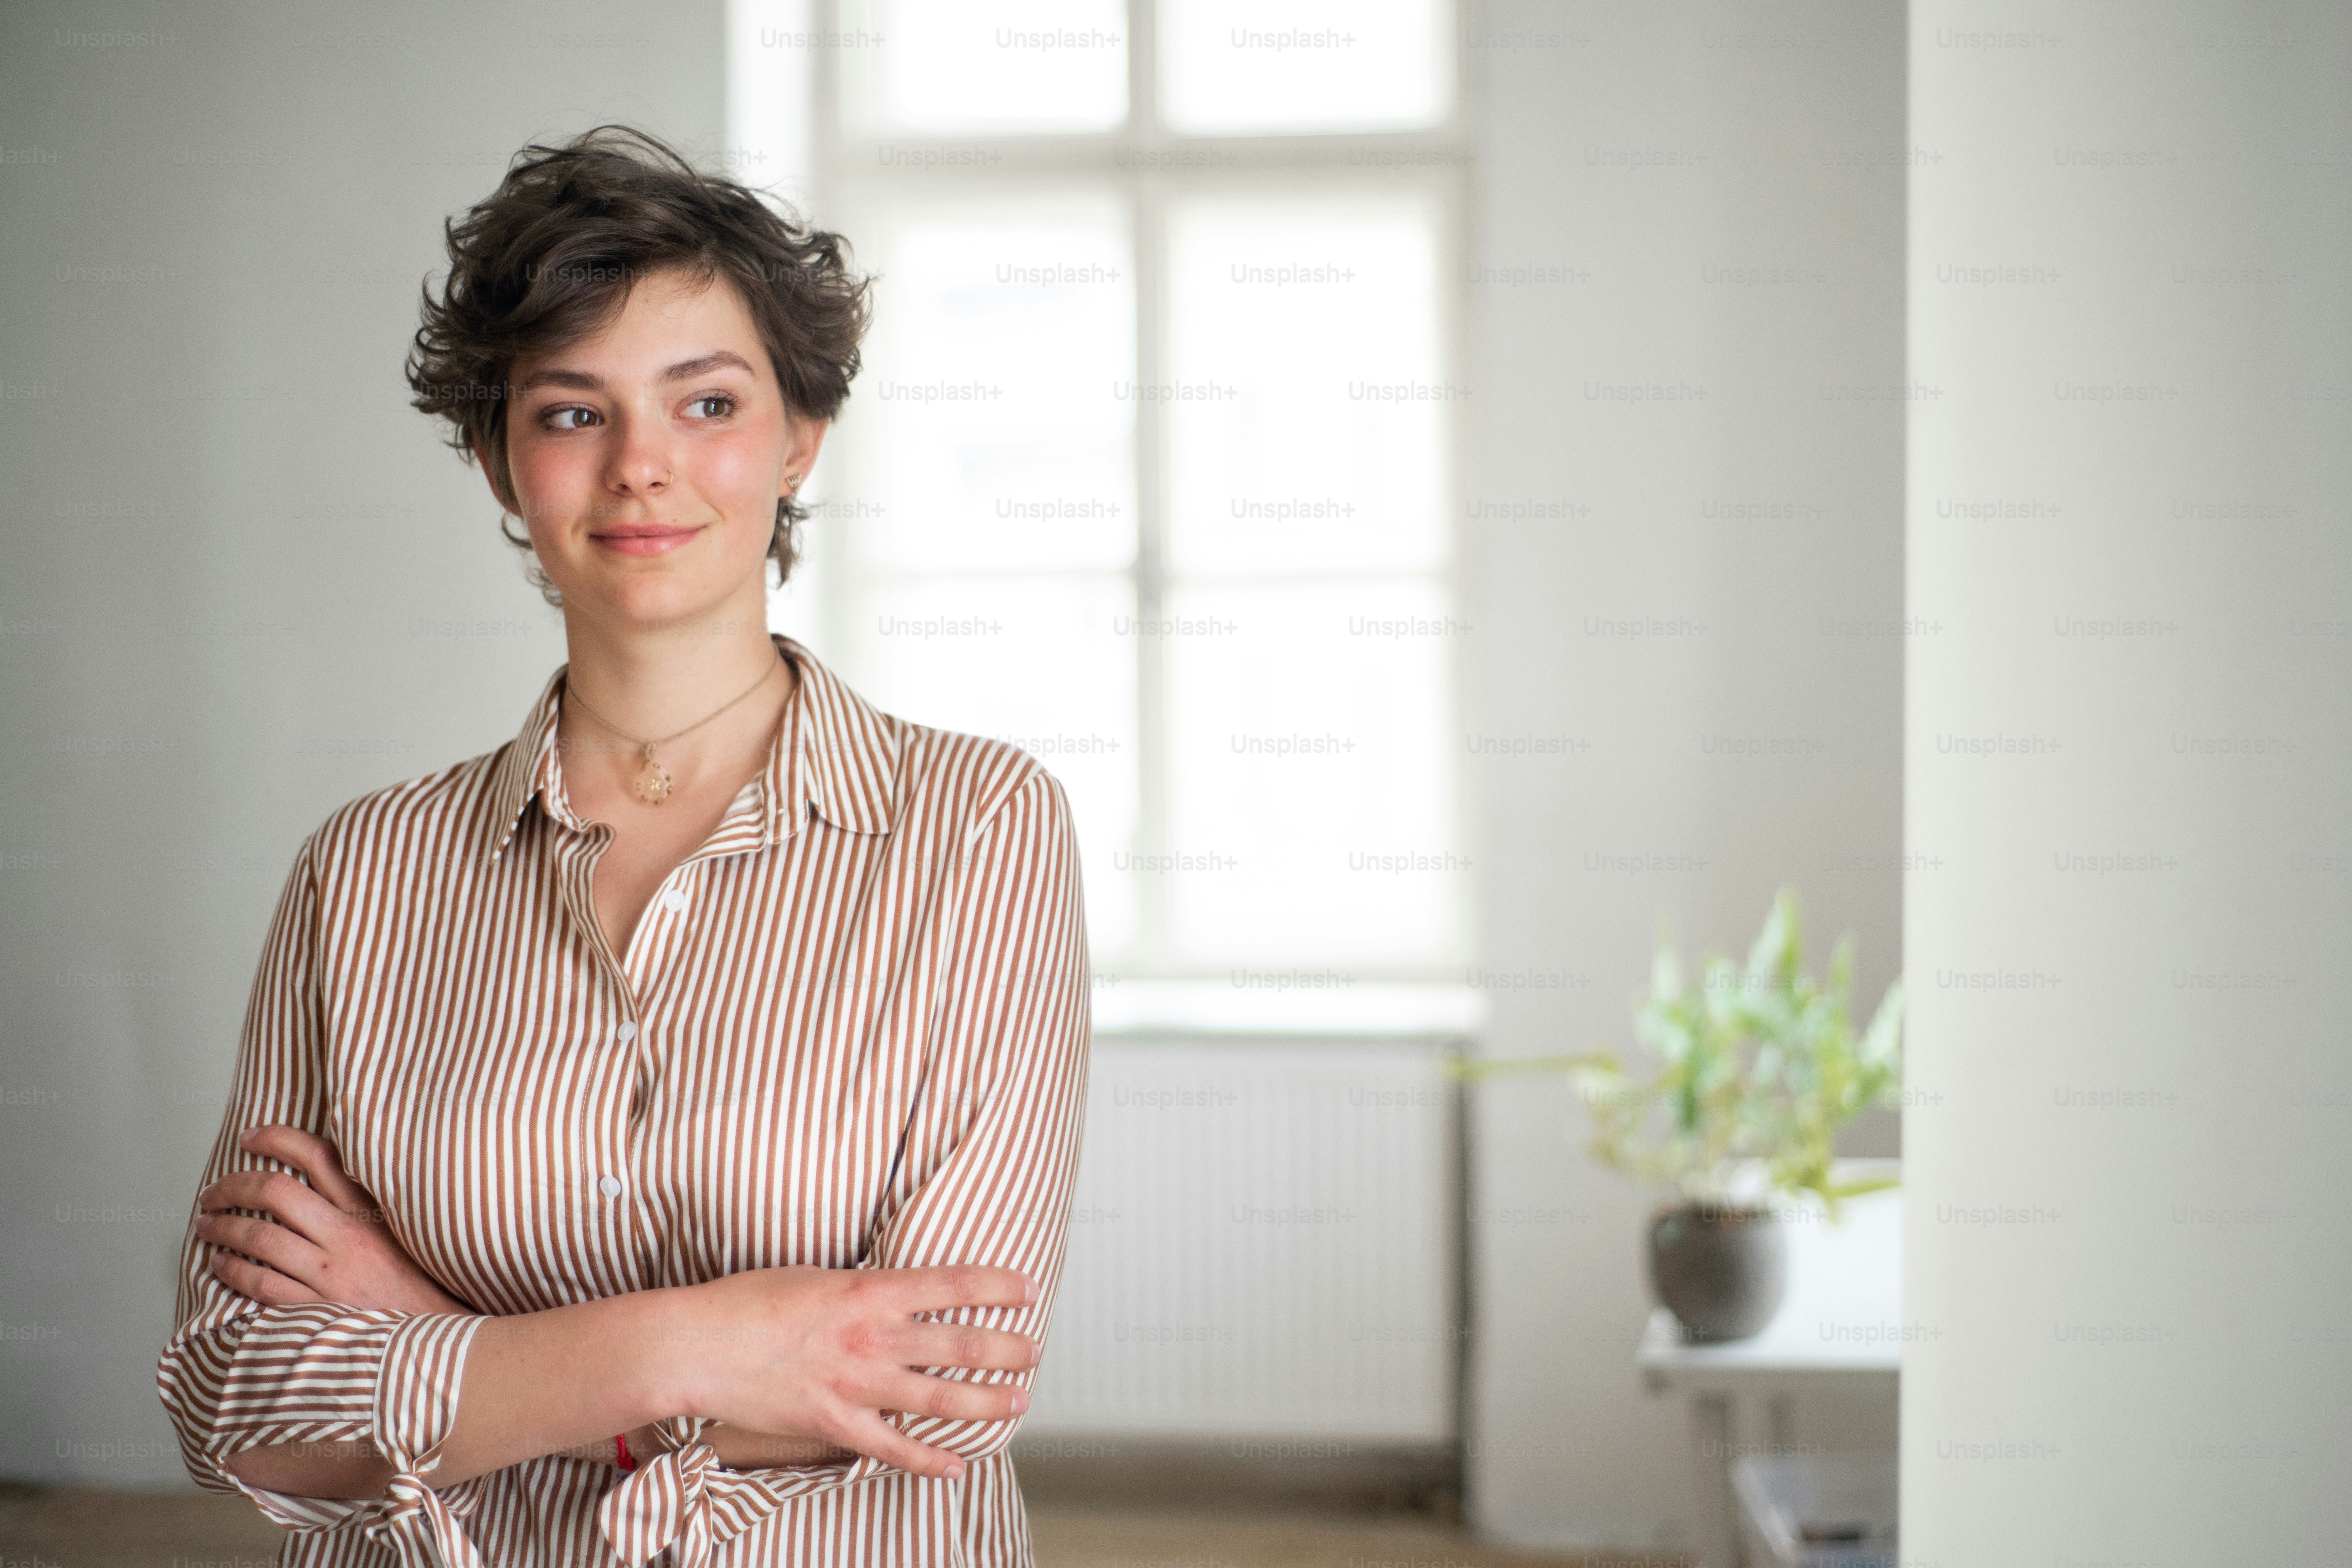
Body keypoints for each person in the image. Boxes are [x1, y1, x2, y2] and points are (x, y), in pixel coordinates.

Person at [155, 126, 1092, 1568]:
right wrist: (718, 1349)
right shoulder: (364, 873)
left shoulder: (977, 830)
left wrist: (429, 1341)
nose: (644, 467)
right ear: (496, 460)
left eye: (705, 400)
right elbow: (240, 1400)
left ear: (800, 435)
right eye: (574, 413)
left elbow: (944, 1385)